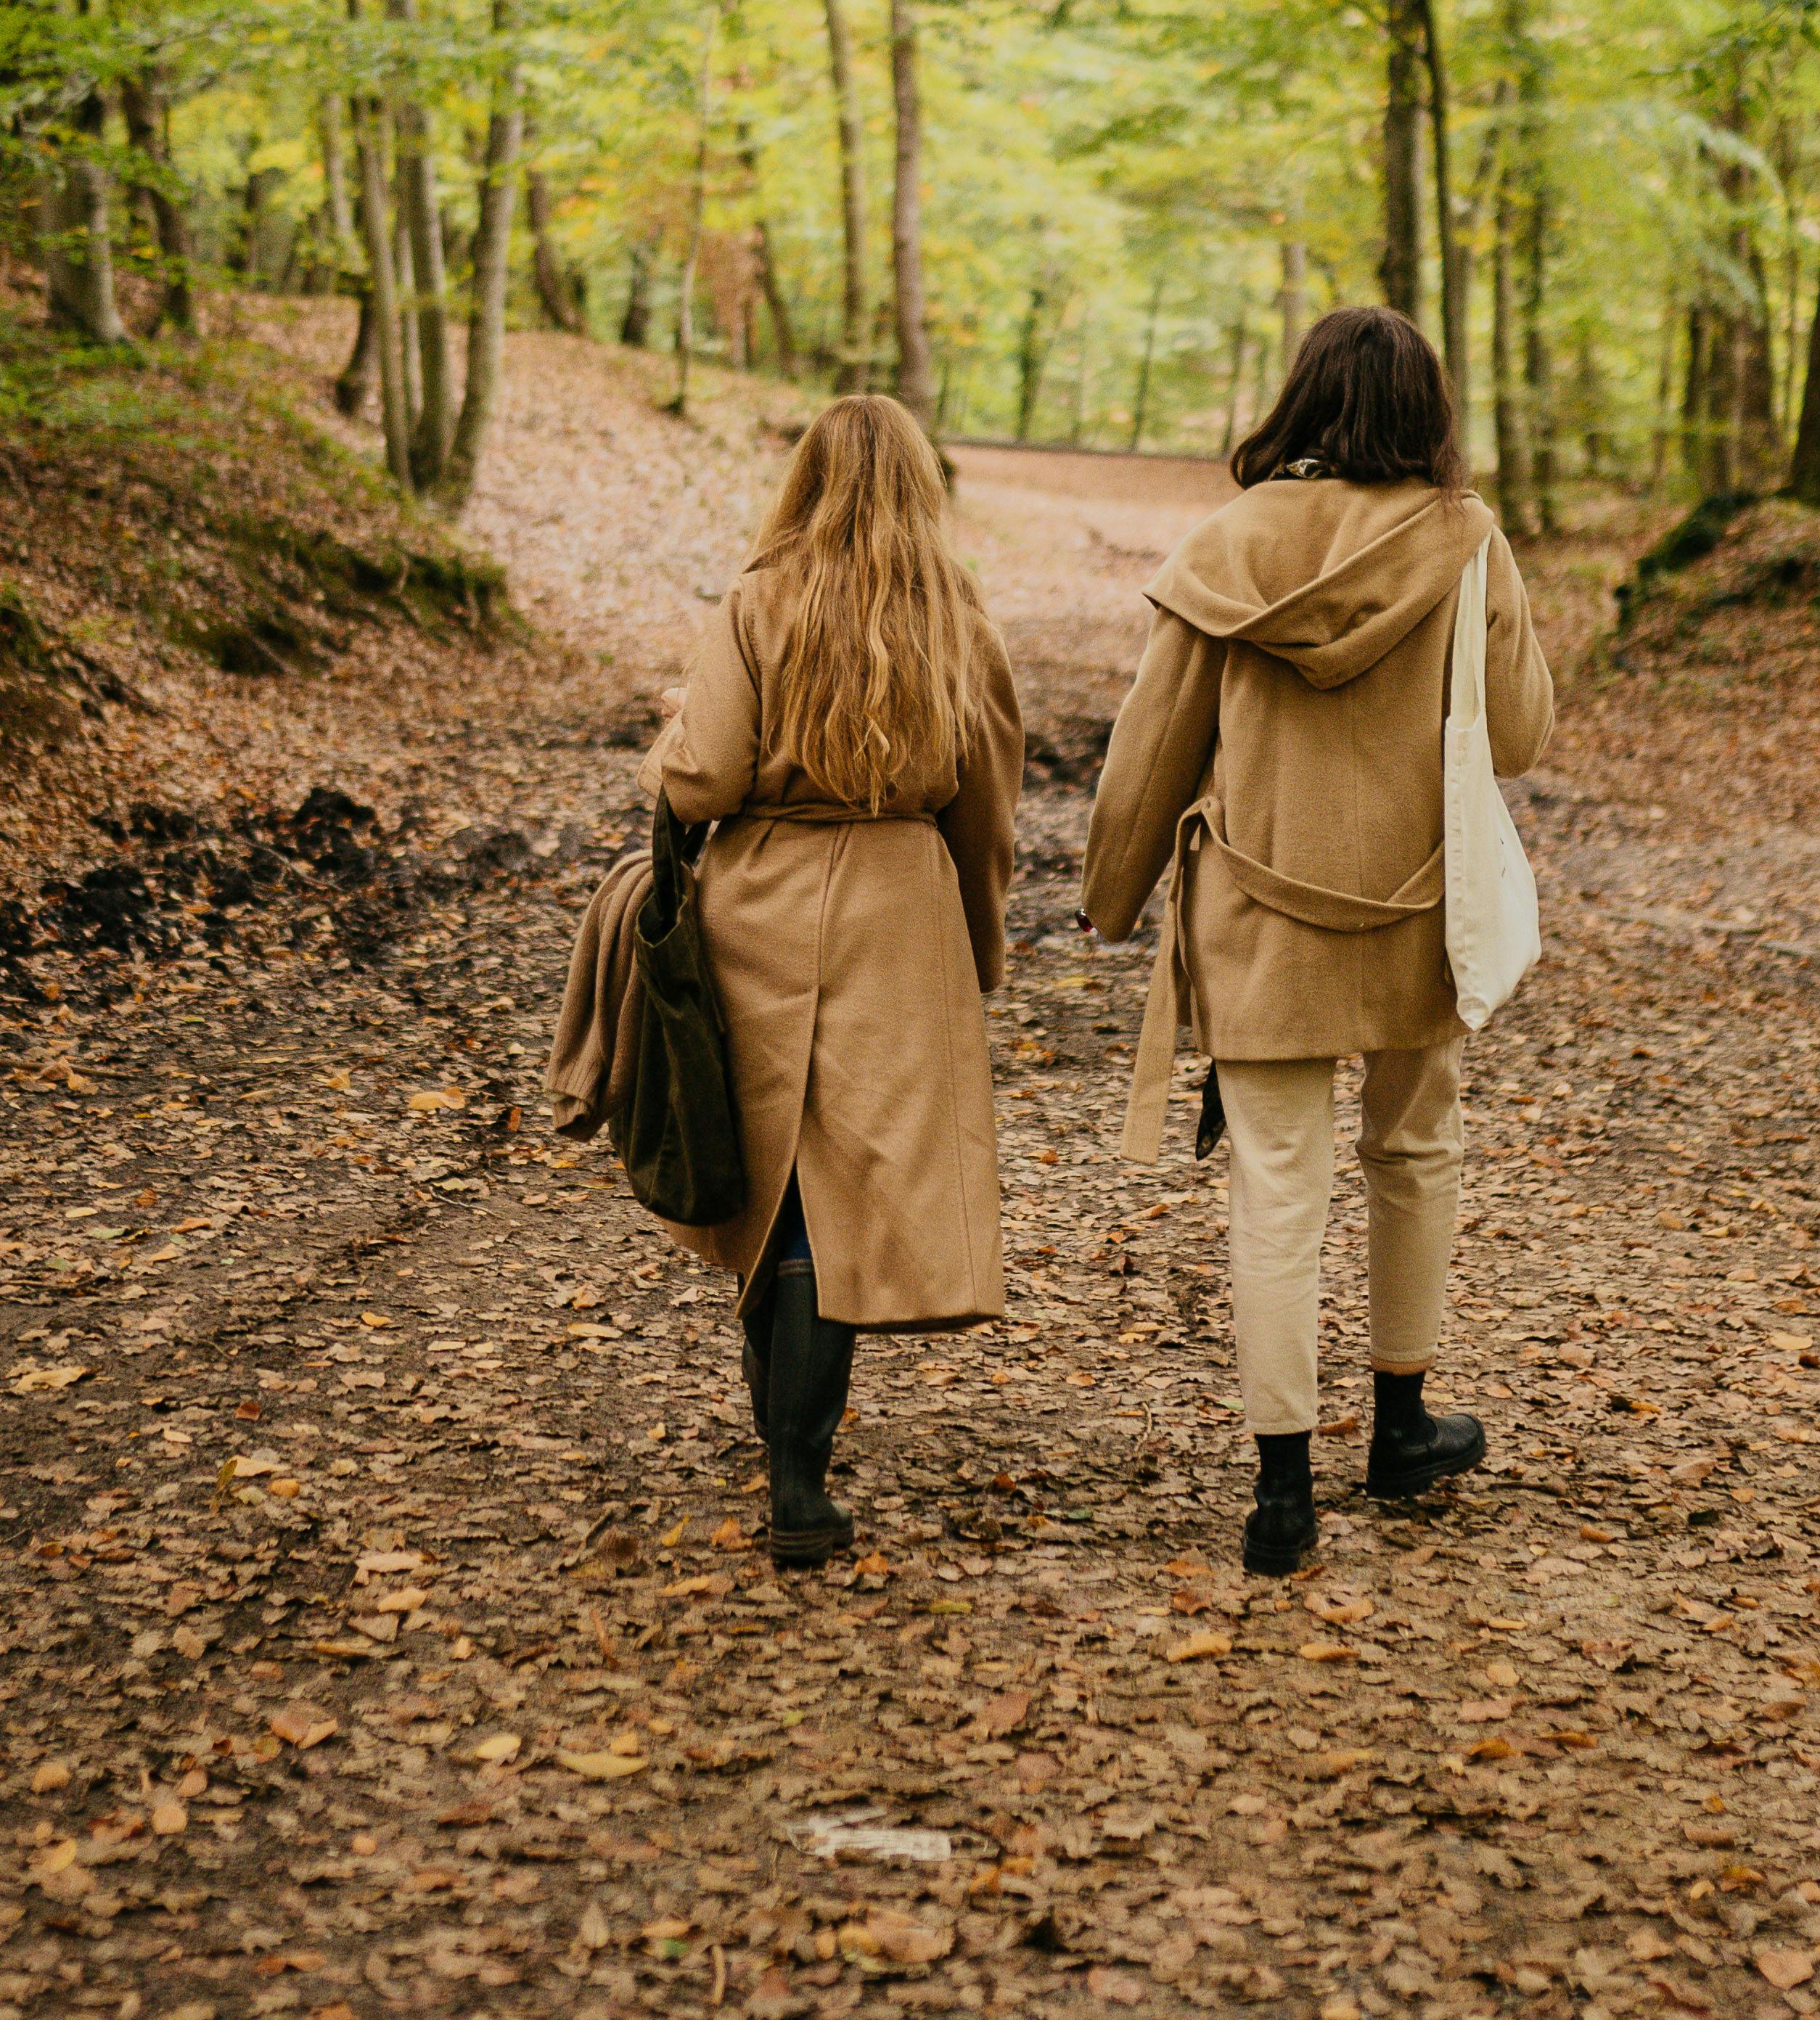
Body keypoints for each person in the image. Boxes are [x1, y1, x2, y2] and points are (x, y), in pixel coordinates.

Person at [1078, 307, 1552, 1575]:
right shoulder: (1466, 539)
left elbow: (1152, 745)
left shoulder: (1229, 545)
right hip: (1416, 913)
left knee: (1277, 1191)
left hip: (1260, 913)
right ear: (1425, 412)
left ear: (1301, 401)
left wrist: (1112, 896)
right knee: (1416, 1152)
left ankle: (1281, 1494)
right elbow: (1519, 737)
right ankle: (1400, 1428)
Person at [636, 393, 1023, 1568]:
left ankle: (788, 1458)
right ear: (919, 485)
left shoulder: (757, 601)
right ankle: (799, 1477)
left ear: (805, 479)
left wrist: (668, 734)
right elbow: (987, 805)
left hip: (763, 900)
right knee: (847, 1193)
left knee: (776, 1179)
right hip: (901, 917)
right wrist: (979, 948)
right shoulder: (957, 615)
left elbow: (703, 781)